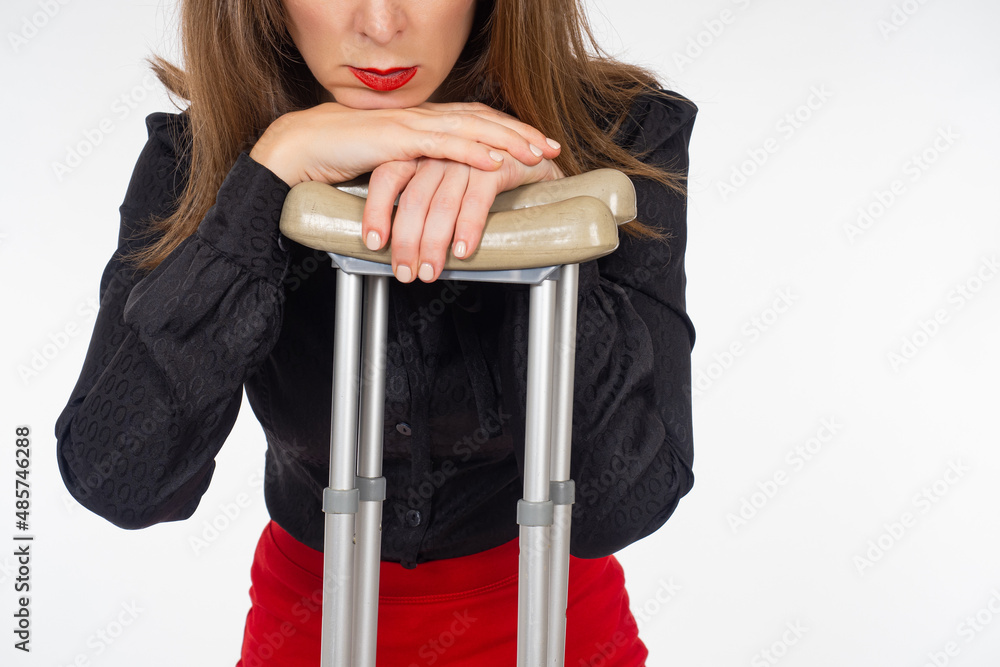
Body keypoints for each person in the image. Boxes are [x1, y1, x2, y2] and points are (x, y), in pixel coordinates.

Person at [55, 0, 697, 664]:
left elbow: (627, 502)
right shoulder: (197, 157)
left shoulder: (623, 131)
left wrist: (552, 206)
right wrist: (270, 174)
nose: (382, 26)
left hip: (554, 623)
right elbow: (121, 481)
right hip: (313, 618)